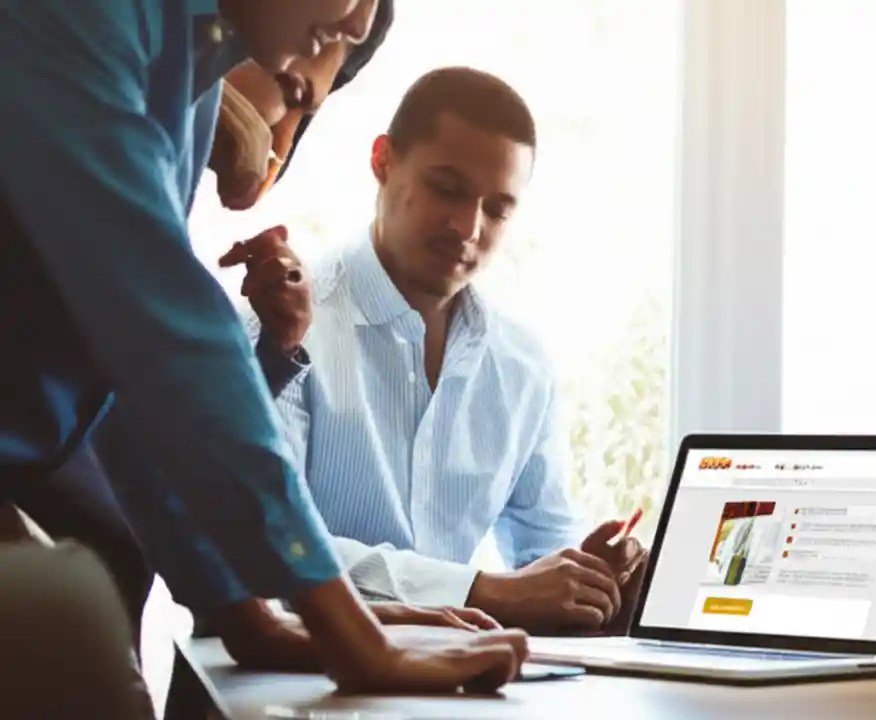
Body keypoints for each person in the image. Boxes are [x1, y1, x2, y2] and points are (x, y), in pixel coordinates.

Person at [0, 2, 529, 715]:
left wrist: (254, 621)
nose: (357, 23)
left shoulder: (188, 72)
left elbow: (123, 369)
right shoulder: (86, 18)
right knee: (68, 634)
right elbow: (168, 337)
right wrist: (351, 636)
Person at [233, 65, 648, 636]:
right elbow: (273, 545)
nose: (468, 226)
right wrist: (483, 590)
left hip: (462, 684)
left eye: (497, 208)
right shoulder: (279, 330)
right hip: (293, 690)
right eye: (447, 190)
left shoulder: (522, 367)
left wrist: (593, 579)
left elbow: (540, 554)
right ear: (382, 161)